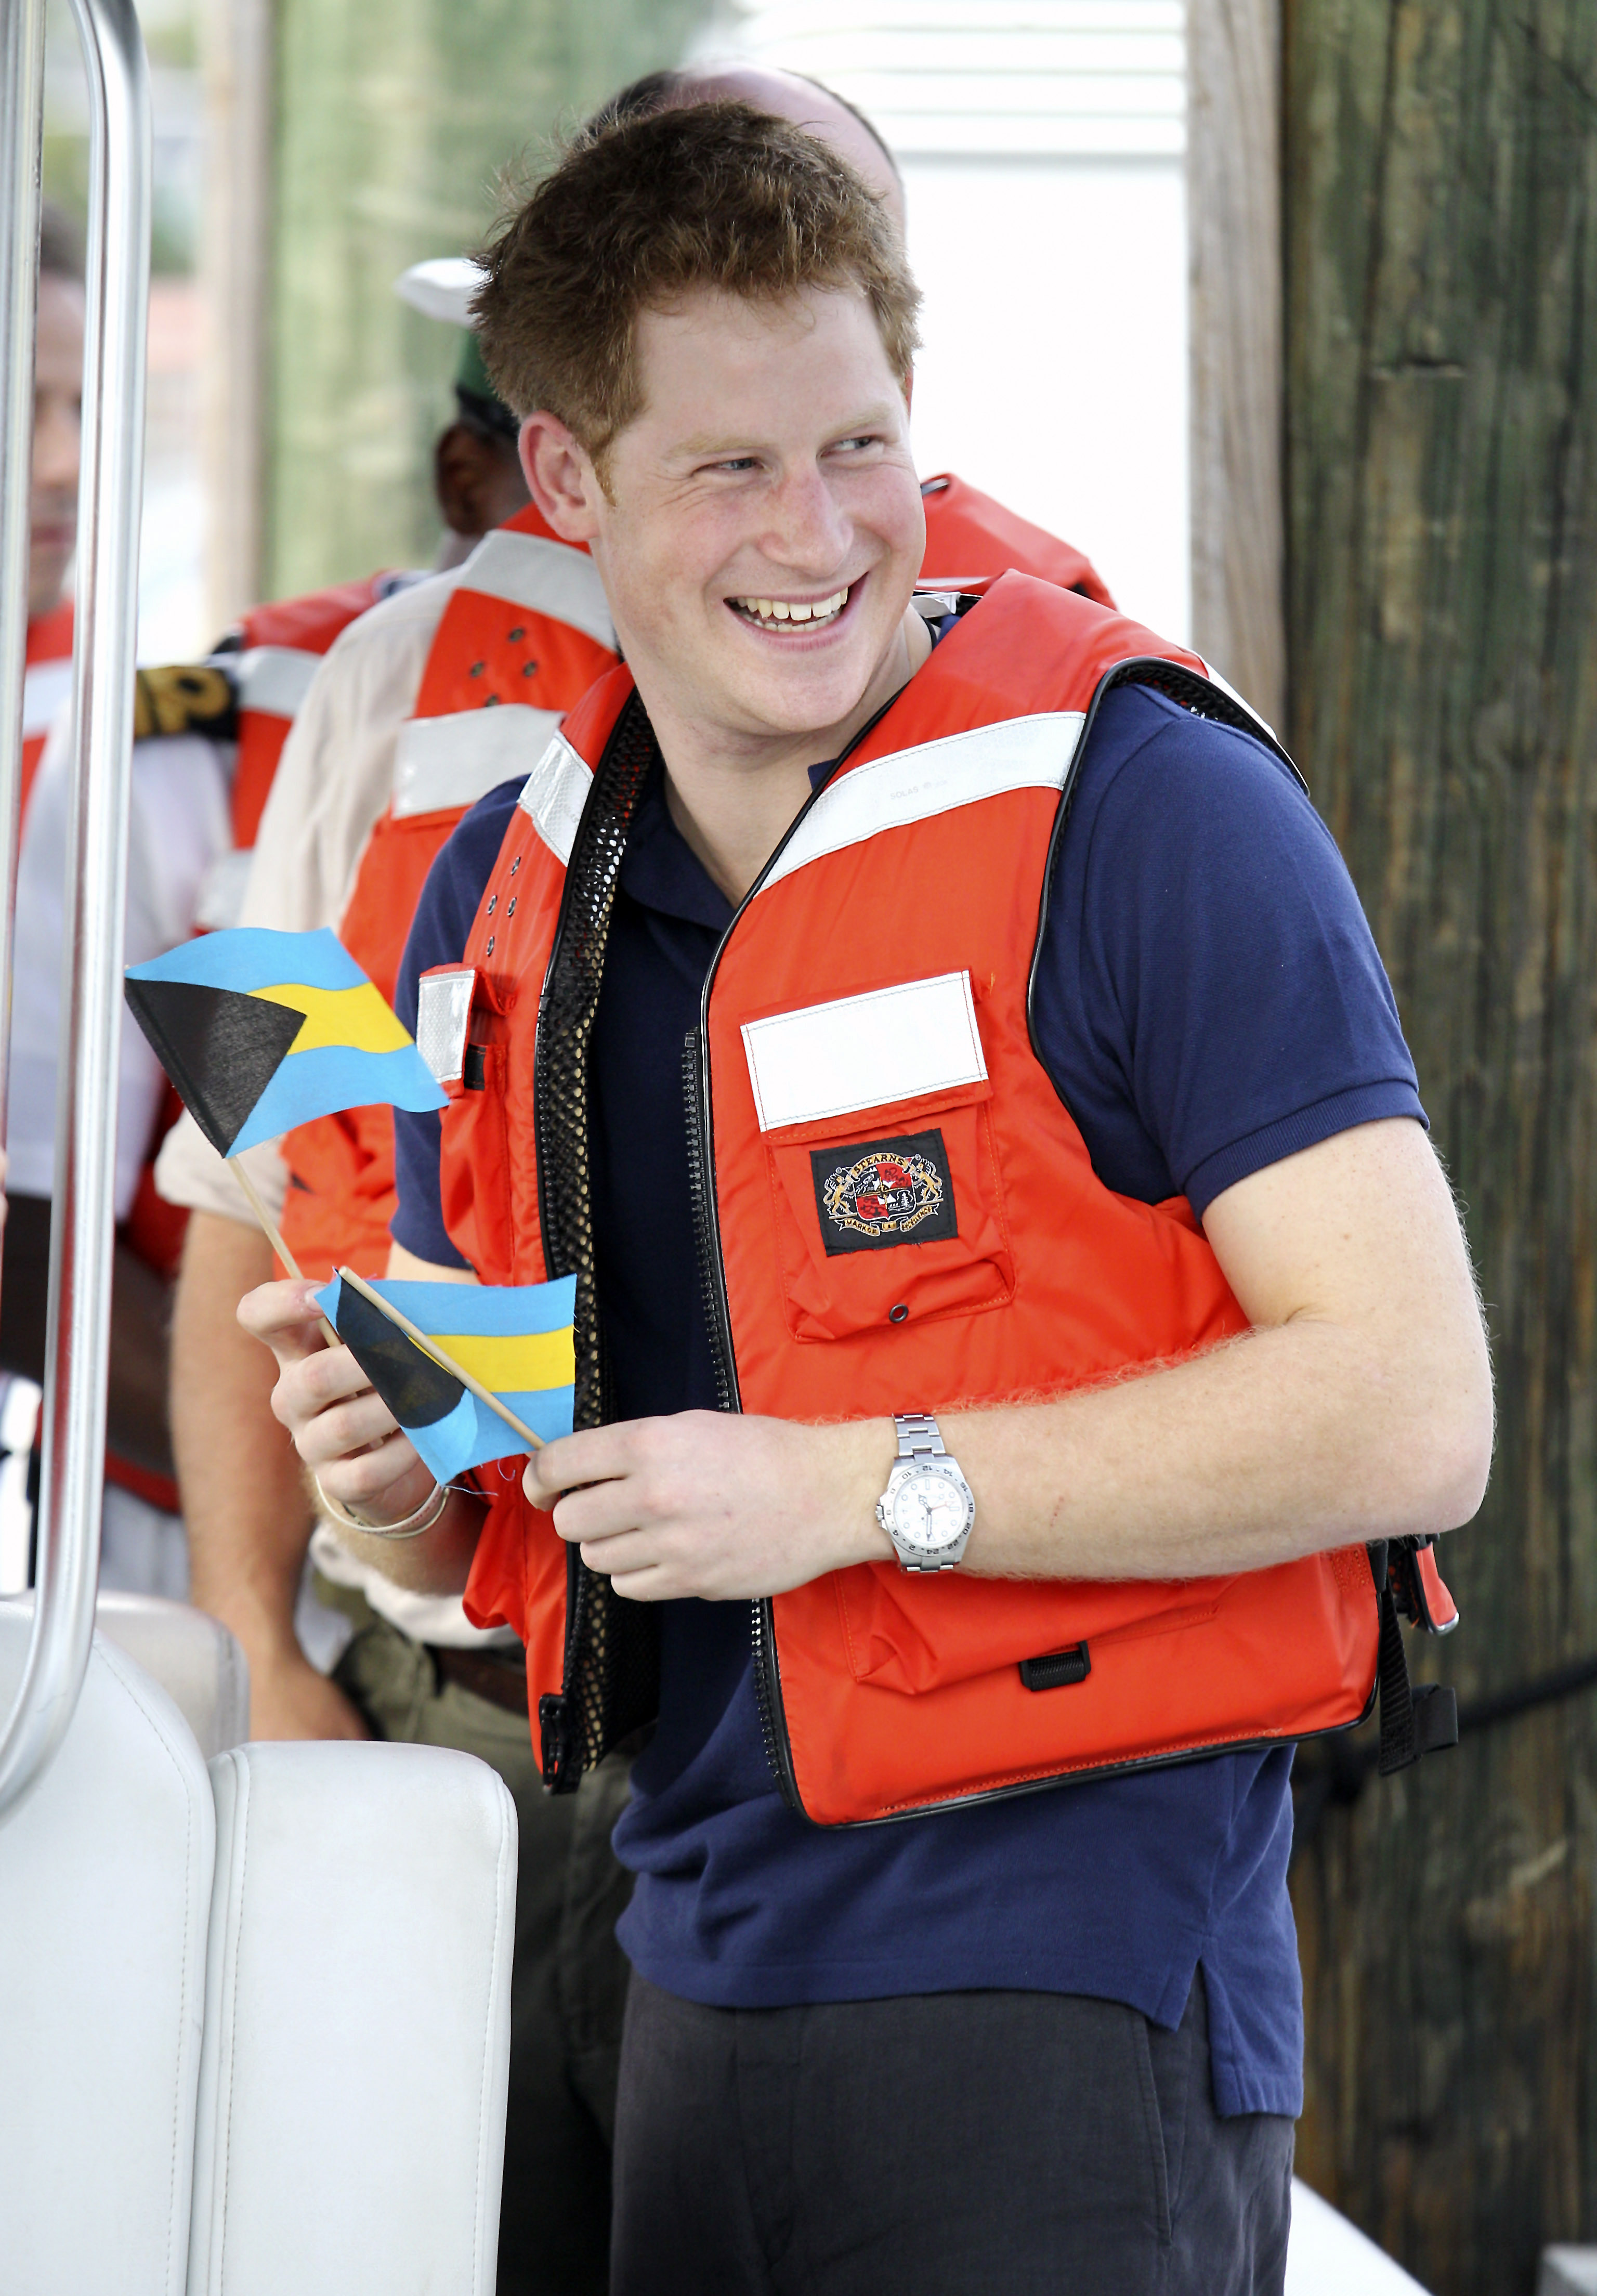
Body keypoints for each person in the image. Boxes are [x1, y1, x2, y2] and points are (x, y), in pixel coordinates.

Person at [243, 105, 1492, 2293]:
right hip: (683, 1968)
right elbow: (505, 1519)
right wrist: (383, 1493)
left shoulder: (1149, 805)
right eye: (729, 466)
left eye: (860, 445)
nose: (818, 532)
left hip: (1069, 1988)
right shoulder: (511, 893)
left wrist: (854, 1488)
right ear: (565, 488)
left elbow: (1414, 1408)